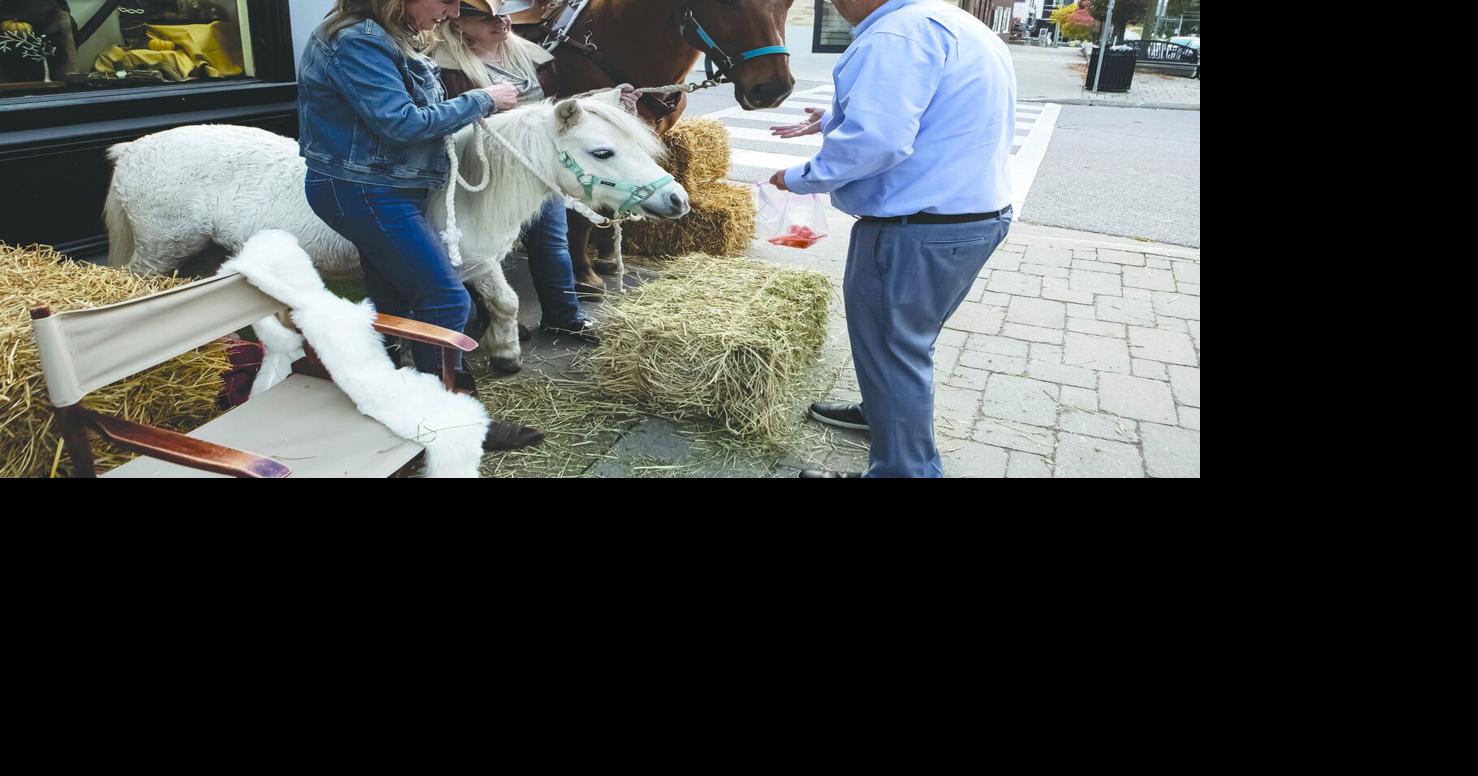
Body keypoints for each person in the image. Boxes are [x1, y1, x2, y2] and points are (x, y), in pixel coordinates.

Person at [768, 0, 1017, 478]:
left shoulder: (896, 35)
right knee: (904, 343)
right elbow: (941, 105)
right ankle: (884, 415)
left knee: (892, 348)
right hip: (972, 220)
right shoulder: (951, 21)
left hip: (917, 230)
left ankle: (904, 469)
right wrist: (831, 119)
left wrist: (799, 176)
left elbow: (879, 141)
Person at [297, 0, 543, 451]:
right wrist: (482, 99)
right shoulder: (360, 42)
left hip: (383, 184)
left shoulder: (390, 34)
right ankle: (452, 420)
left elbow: (411, 113)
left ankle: (386, 398)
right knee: (447, 301)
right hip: (366, 188)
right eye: (446, 0)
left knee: (392, 300)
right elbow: (401, 123)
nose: (451, 12)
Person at [431, 0, 639, 343]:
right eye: (488, 19)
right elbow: (451, 122)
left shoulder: (530, 54)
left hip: (540, 166)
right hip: (488, 168)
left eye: (503, 14)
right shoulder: (443, 67)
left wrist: (608, 102)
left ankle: (564, 317)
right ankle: (494, 318)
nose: (502, 22)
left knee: (553, 242)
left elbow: (556, 111)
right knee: (485, 248)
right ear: (458, 23)